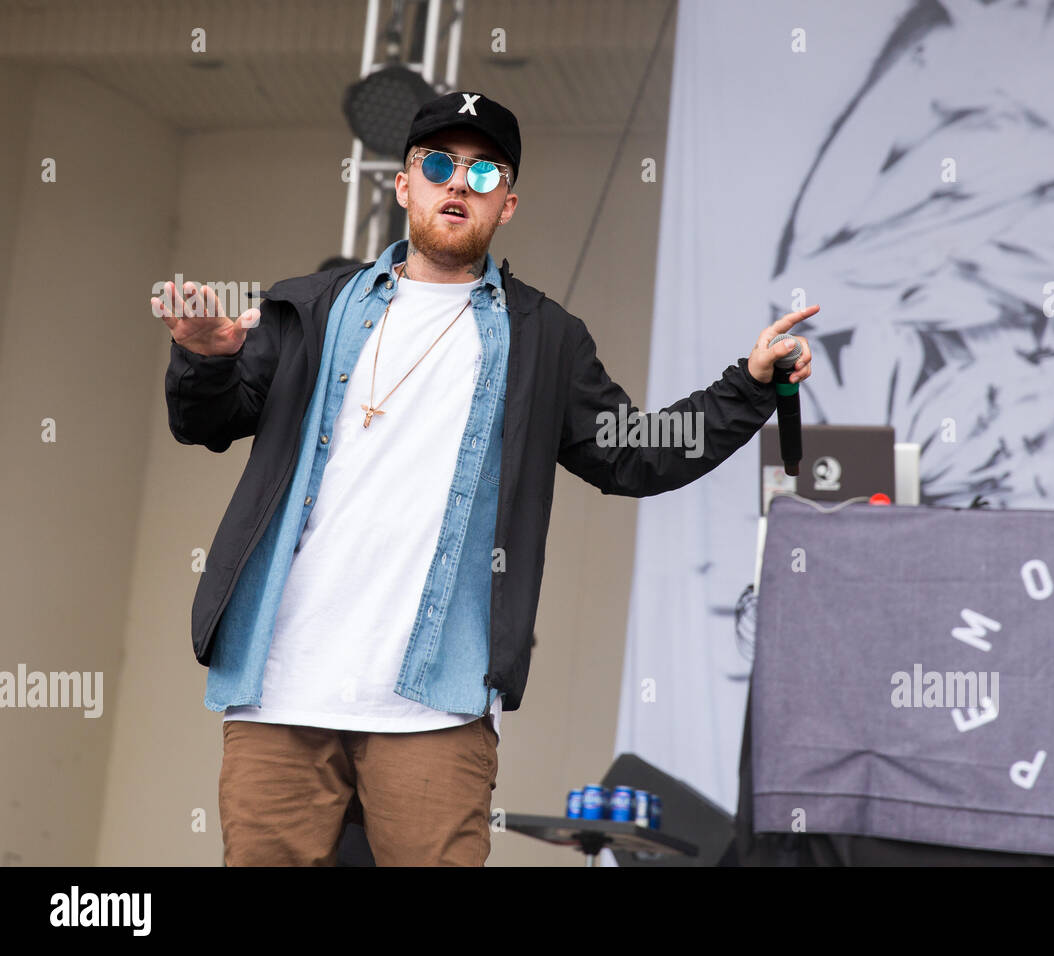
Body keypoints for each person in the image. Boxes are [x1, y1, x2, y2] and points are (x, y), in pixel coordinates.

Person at [154, 90, 814, 866]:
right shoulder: (311, 307)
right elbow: (206, 424)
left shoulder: (545, 338)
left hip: (434, 703)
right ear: (405, 185)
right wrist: (204, 358)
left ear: (507, 203)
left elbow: (635, 452)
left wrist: (750, 386)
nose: (457, 183)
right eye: (438, 164)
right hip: (280, 691)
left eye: (484, 171)